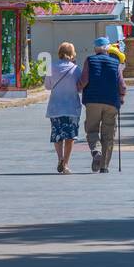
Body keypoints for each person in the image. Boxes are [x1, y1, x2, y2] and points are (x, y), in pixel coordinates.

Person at [77, 36, 127, 172]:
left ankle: (96, 151)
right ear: (107, 48)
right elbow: (122, 85)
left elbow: (84, 80)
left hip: (92, 100)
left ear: (95, 49)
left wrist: (77, 88)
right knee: (109, 134)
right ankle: (104, 166)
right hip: (111, 102)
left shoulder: (90, 60)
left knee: (91, 129)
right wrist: (121, 97)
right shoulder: (116, 63)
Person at [45, 42, 82, 174]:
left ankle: (60, 158)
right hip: (71, 107)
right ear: (72, 54)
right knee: (70, 137)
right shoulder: (76, 69)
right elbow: (80, 87)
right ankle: (65, 163)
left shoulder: (51, 67)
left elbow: (48, 86)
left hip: (55, 107)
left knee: (57, 135)